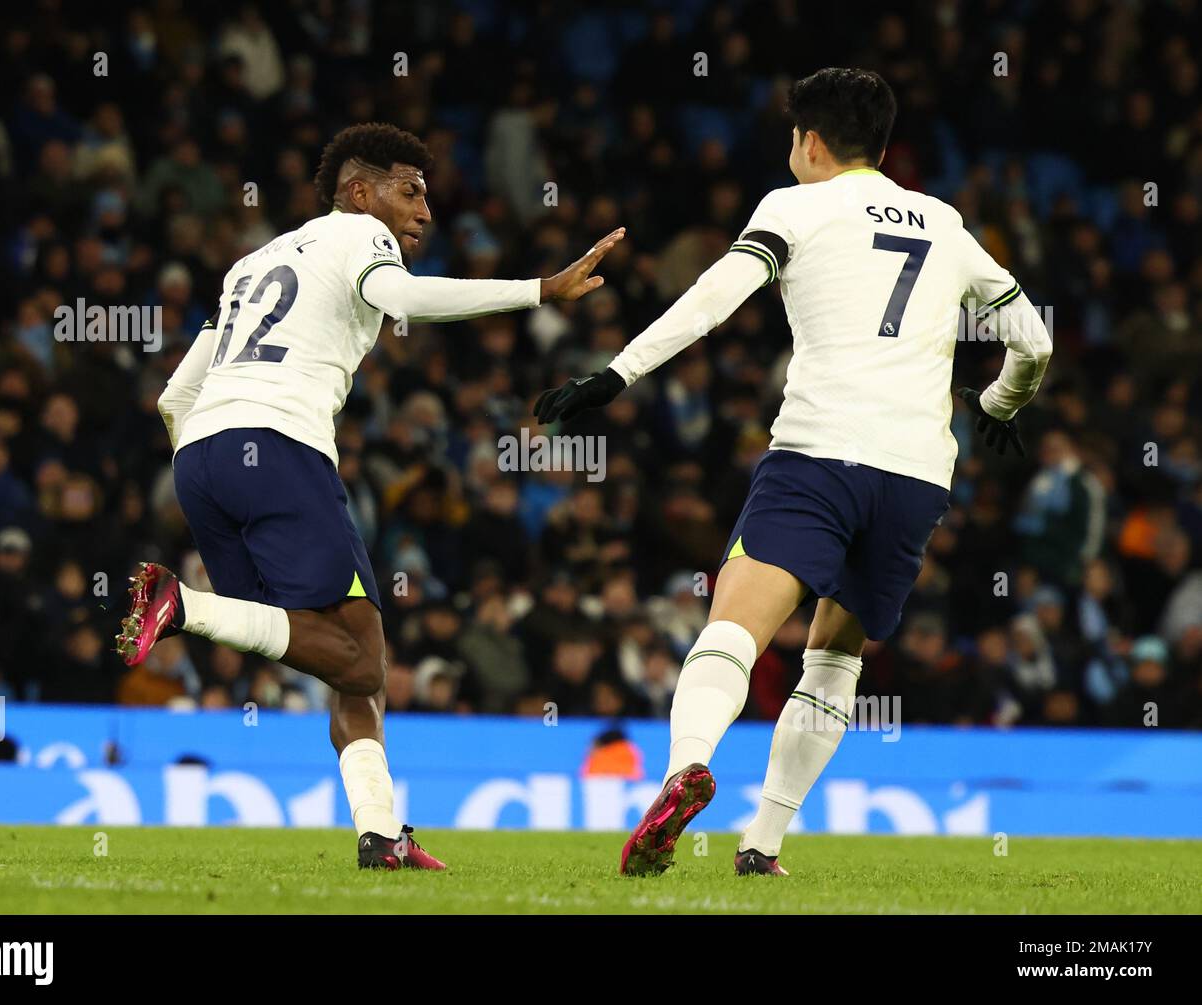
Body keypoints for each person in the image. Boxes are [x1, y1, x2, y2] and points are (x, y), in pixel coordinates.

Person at [534, 68, 1053, 876]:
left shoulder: (793, 206)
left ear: (810, 141)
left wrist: (616, 374)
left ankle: (688, 767)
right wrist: (1000, 403)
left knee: (734, 627)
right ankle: (762, 844)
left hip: (819, 453)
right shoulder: (946, 223)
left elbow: (713, 300)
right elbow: (1036, 340)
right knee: (834, 658)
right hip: (917, 475)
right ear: (880, 146)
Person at [116, 122, 623, 869]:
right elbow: (404, 297)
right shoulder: (358, 236)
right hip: (282, 446)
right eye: (409, 192)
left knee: (343, 650)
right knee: (360, 663)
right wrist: (539, 289)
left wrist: (208, 461)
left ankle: (381, 832)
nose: (425, 212)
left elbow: (172, 397)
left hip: (202, 456)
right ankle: (182, 605)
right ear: (359, 192)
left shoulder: (251, 262)